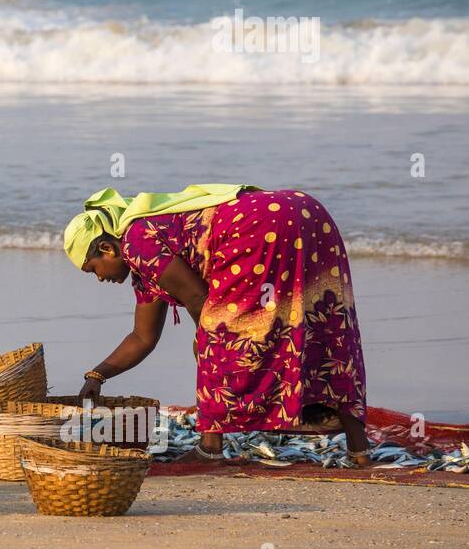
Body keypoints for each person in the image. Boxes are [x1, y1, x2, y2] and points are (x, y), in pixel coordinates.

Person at [63, 184, 370, 465]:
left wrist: (206, 339)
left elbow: (198, 297)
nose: (100, 277)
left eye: (93, 269)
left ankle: (210, 448)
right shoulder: (146, 259)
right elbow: (143, 337)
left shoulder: (136, 242)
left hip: (259, 226)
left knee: (215, 339)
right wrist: (97, 375)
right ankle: (358, 449)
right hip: (306, 211)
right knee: (325, 321)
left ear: (107, 249)